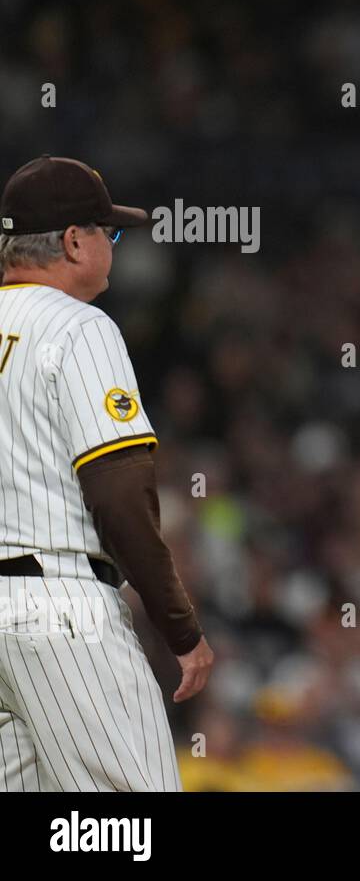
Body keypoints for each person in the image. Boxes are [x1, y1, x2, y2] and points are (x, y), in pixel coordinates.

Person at [0, 155, 213, 791]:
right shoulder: (79, 327)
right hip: (60, 609)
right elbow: (121, 496)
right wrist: (181, 629)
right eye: (107, 233)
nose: (112, 247)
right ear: (73, 241)